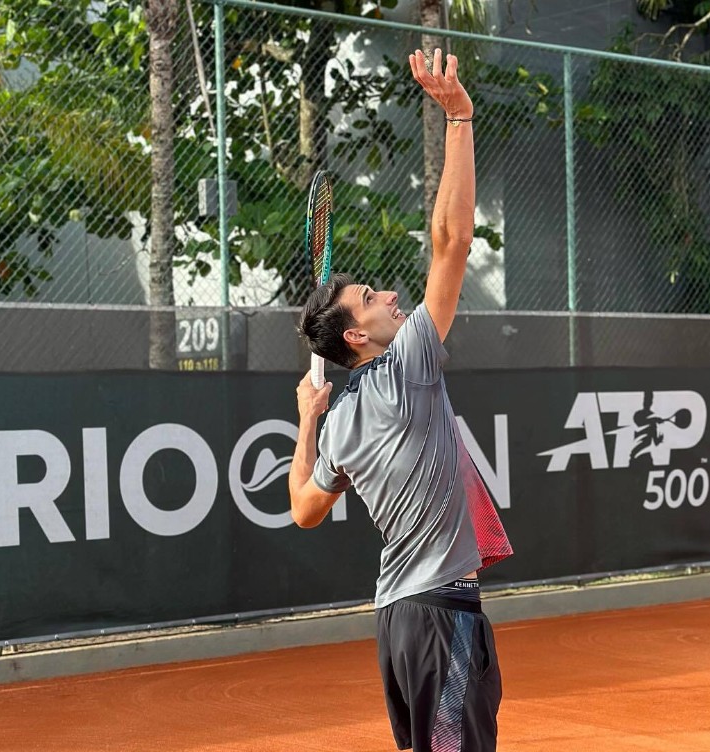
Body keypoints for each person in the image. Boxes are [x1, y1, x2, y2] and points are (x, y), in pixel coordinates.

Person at [288, 49, 513, 752]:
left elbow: (304, 510)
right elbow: (451, 242)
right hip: (443, 619)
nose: (390, 295)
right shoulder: (408, 366)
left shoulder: (342, 423)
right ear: (358, 334)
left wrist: (306, 423)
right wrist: (459, 118)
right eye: (371, 298)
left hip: (398, 625)